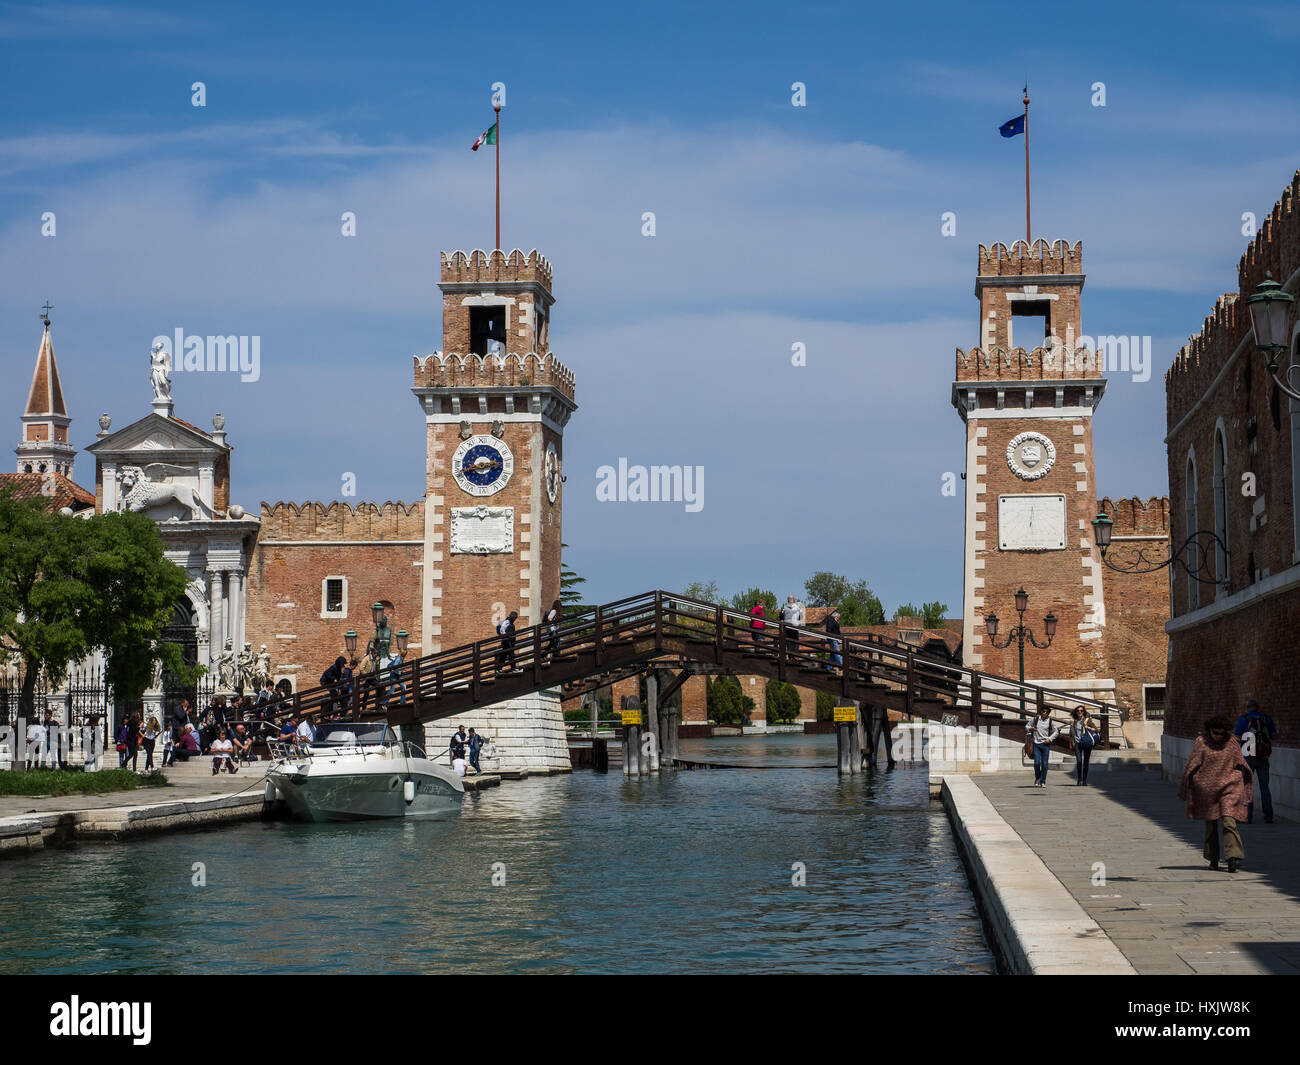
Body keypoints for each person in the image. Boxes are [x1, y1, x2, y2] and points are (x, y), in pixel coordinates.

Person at [1179, 715, 1253, 872]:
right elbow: (1191, 765)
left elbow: (1242, 763)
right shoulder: (1201, 742)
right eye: (1215, 732)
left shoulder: (1231, 742)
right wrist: (1185, 788)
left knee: (1229, 821)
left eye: (1221, 733)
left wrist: (1246, 783)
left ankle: (1234, 857)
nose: (1219, 736)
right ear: (1209, 730)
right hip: (1207, 789)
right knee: (1211, 825)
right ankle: (1213, 858)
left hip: (1229, 787)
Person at [1233, 699, 1277, 824]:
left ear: (1247, 708)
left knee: (1247, 786)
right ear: (1257, 707)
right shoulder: (1266, 718)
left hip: (1248, 756)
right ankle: (1268, 816)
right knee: (1264, 787)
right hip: (1263, 757)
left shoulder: (1244, 719)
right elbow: (1273, 735)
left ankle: (1247, 816)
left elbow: (1237, 736)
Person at [1026, 705, 1060, 788]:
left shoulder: (1050, 721)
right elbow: (1026, 726)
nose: (1044, 713)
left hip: (1045, 744)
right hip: (1036, 744)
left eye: (1046, 712)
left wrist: (1050, 739)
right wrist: (1031, 729)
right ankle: (1037, 778)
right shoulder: (1035, 719)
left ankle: (1043, 781)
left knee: (1044, 764)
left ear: (1048, 713)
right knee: (1037, 763)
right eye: (1043, 711)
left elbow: (1056, 732)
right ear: (1041, 711)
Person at [1069, 705, 1098, 786]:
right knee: (1079, 761)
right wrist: (1071, 725)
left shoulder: (1087, 720)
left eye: (1081, 710)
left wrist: (1086, 726)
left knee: (1086, 762)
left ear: (1084, 712)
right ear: (1076, 712)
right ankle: (1079, 779)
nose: (1079, 712)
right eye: (1078, 710)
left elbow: (1096, 730)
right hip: (1077, 743)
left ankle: (1084, 780)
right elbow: (1071, 734)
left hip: (1086, 742)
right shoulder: (1074, 720)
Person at [544, 599, 562, 664]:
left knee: (555, 642)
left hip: (553, 629)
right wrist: (554, 624)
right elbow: (549, 618)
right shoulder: (554, 611)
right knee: (556, 641)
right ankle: (555, 654)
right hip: (552, 629)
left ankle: (547, 654)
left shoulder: (556, 612)